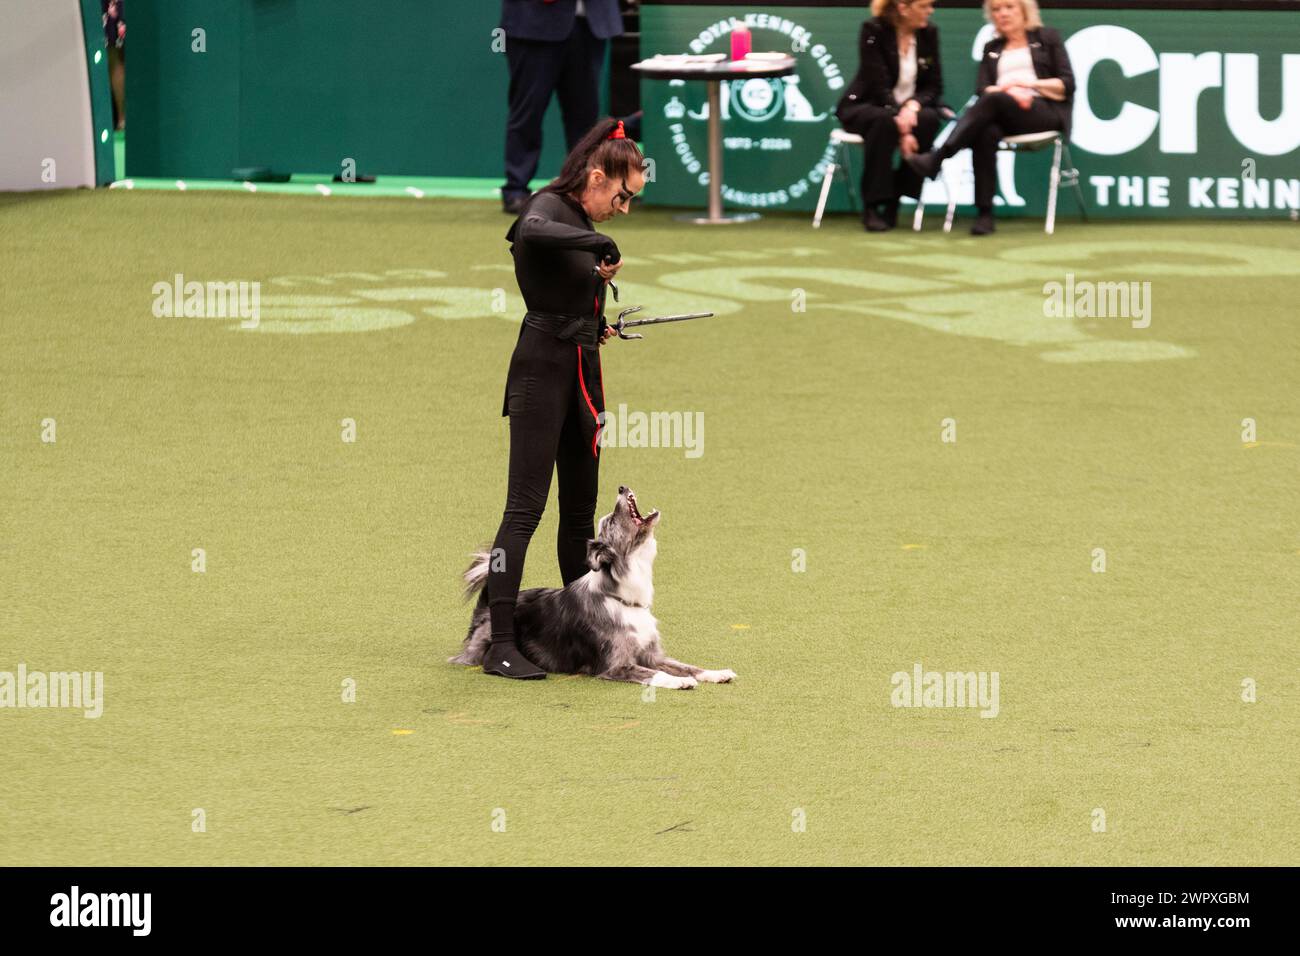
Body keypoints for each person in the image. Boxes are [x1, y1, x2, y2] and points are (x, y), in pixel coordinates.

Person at [483, 118, 646, 680]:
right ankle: (500, 642)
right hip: (539, 372)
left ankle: (584, 630)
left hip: (580, 373)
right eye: (622, 196)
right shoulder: (549, 206)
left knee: (580, 513)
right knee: (524, 511)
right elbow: (528, 232)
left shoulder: (575, 219)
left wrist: (592, 322)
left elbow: (568, 289)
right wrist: (593, 240)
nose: (623, 209)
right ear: (596, 176)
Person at [905, 0, 1074, 235]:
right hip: (1005, 110)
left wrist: (1028, 84)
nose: (1002, 13)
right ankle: (985, 214)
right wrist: (1011, 92)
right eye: (996, 9)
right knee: (985, 131)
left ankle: (938, 157)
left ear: (1024, 10)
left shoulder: (1048, 38)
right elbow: (983, 90)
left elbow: (1066, 84)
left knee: (993, 103)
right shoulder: (992, 47)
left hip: (1044, 111)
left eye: (1009, 7)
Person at [500, 0, 625, 215]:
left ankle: (586, 189)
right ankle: (516, 190)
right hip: (533, 23)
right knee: (528, 111)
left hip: (591, 23)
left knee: (586, 117)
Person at [836, 0, 946, 232]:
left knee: (928, 120)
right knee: (883, 122)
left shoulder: (929, 33)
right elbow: (877, 83)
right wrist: (902, 125)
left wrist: (914, 105)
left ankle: (895, 199)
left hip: (908, 110)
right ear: (903, 8)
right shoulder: (873, 30)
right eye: (924, 6)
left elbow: (933, 86)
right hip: (867, 106)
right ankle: (873, 206)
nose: (931, 11)